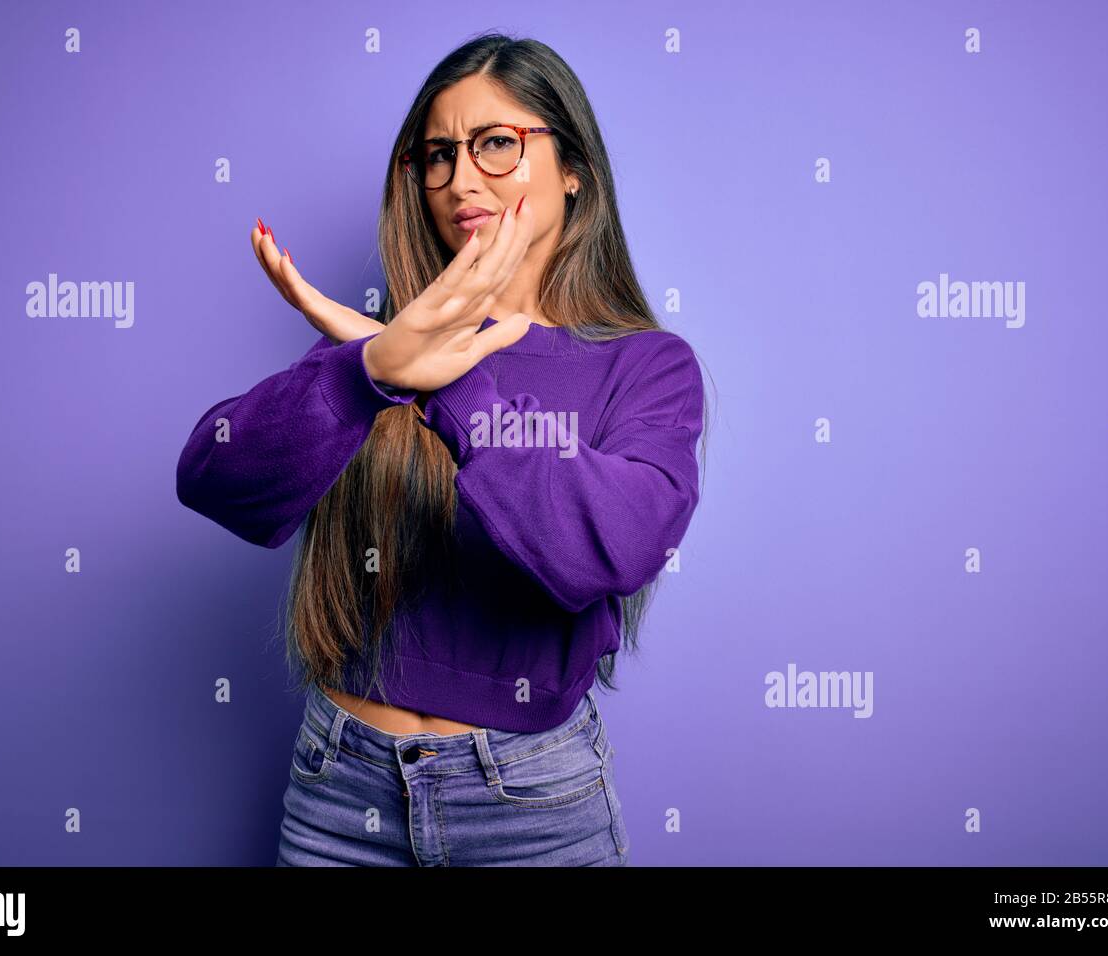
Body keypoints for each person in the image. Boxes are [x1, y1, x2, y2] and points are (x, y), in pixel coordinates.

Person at [176, 32, 709, 866]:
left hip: (530, 805)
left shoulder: (644, 365)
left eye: (497, 143)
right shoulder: (382, 347)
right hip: (337, 792)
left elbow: (617, 546)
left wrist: (440, 382)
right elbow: (213, 477)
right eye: (438, 154)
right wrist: (365, 373)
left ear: (573, 169)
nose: (461, 180)